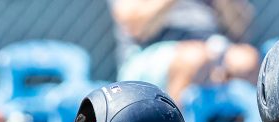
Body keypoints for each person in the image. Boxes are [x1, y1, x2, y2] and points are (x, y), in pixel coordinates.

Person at [110, 0, 260, 103]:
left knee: (247, 61)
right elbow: (135, 26)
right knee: (193, 60)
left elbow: (240, 30)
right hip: (147, 55)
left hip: (211, 46)